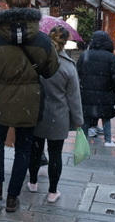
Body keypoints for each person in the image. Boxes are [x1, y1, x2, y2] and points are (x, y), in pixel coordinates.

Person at [0, 0, 60, 213]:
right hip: (30, 100)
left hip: (1, 98)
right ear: (30, 7)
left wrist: (1, 76)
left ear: (7, 6)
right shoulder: (43, 39)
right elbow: (51, 69)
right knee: (23, 148)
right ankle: (13, 197)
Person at [27, 26, 83, 202]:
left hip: (37, 113)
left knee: (35, 151)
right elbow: (74, 97)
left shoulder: (37, 61)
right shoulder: (68, 66)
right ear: (65, 42)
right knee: (55, 154)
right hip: (58, 116)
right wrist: (79, 120)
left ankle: (33, 182)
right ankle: (52, 192)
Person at [76, 31, 115, 148]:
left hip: (86, 93)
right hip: (105, 93)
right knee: (106, 117)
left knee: (85, 117)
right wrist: (113, 89)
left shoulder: (85, 55)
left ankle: (83, 141)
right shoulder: (111, 57)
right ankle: (108, 140)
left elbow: (77, 73)